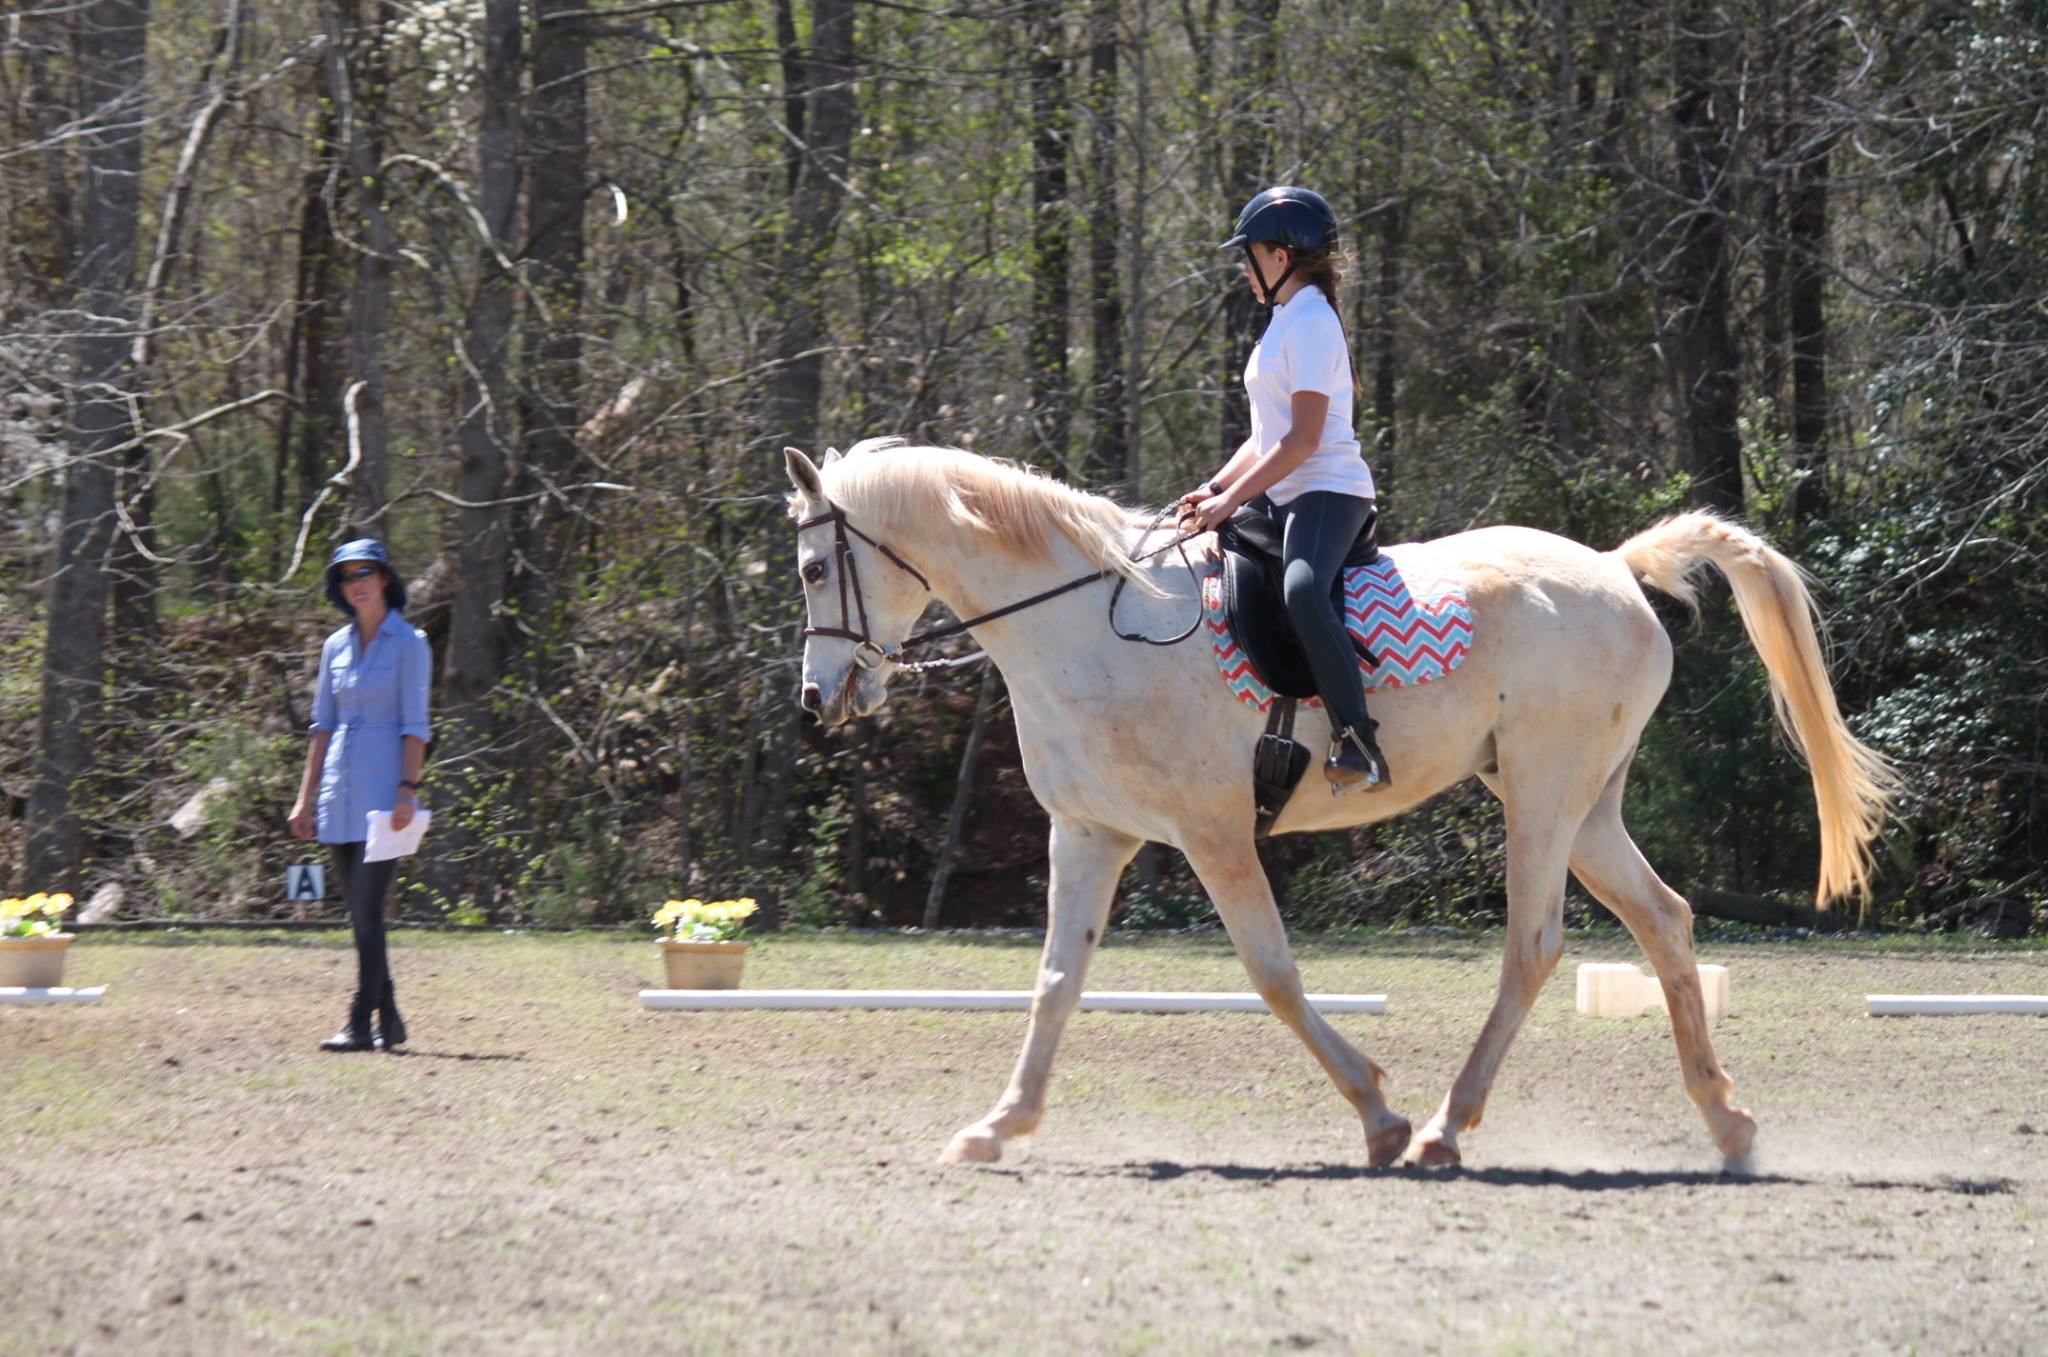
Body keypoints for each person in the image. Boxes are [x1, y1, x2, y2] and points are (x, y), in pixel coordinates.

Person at [1179, 185, 1392, 793]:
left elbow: (1301, 442)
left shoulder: (1314, 323)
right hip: (1286, 493)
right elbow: (1265, 435)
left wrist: (1229, 503)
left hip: (1328, 491)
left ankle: (1358, 739)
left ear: (1280, 256)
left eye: (1250, 254)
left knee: (1303, 590)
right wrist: (1213, 487)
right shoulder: (1285, 322)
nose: (1244, 267)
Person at [287, 539, 432, 1051]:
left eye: (365, 571)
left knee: (367, 909)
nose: (357, 582)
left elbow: (416, 726)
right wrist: (305, 799)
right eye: (347, 576)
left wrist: (407, 792)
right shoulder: (334, 647)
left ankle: (358, 1021)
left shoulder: (411, 642)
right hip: (336, 794)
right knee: (358, 911)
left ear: (385, 578)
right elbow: (322, 726)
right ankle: (388, 1018)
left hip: (384, 799)